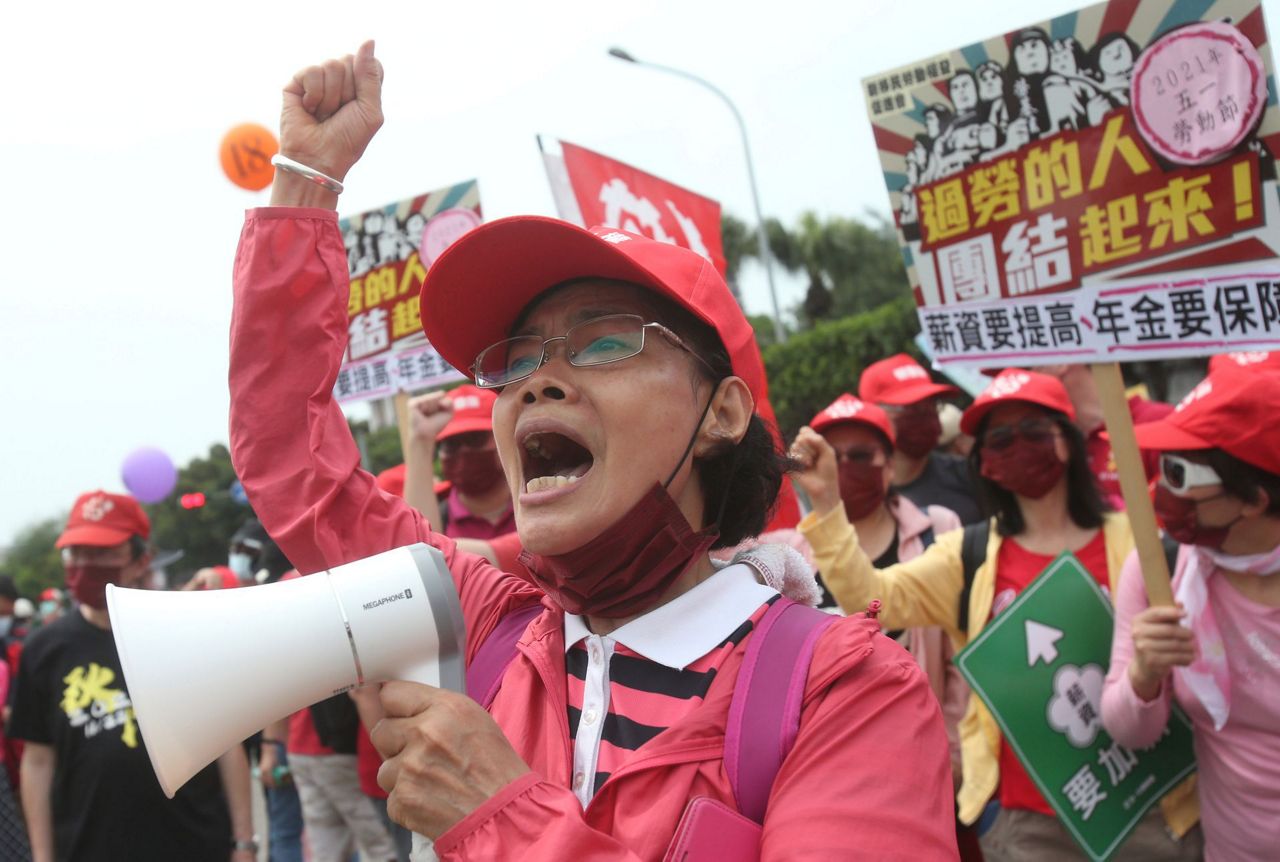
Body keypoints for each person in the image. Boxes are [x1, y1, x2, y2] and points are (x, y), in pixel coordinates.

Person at [227, 41, 955, 859]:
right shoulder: (486, 624)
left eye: (605, 344)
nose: (537, 383)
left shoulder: (846, 690)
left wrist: (501, 815)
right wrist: (306, 181)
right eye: (516, 361)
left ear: (721, 413)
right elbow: (296, 466)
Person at [798, 370, 1200, 860]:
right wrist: (827, 503)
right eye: (1001, 440)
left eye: (1032, 431)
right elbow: (872, 597)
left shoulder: (1142, 543)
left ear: (1067, 442)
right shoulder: (966, 556)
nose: (1018, 447)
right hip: (1028, 828)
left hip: (1149, 809)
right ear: (985, 462)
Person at [8, 491, 256, 862]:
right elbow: (38, 760)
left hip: (195, 843)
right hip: (88, 848)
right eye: (77, 553)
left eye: (102, 553)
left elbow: (227, 743)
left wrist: (244, 843)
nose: (85, 565)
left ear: (142, 559)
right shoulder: (43, 649)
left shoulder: (184, 630)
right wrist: (43, 856)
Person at [1102, 368, 1280, 860]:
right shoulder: (1161, 570)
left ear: (1254, 499)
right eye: (1162, 465)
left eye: (1179, 474)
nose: (1162, 487)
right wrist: (1145, 673)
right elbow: (1129, 731)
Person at [790, 395, 967, 784]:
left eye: (859, 455)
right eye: (832, 456)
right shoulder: (789, 557)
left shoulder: (939, 531)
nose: (842, 468)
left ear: (889, 466)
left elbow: (960, 660)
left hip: (922, 764)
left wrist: (952, 755)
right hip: (826, 769)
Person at [858, 354, 983, 524]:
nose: (924, 415)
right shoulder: (857, 494)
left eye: (931, 404)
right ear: (873, 413)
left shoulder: (970, 475)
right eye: (909, 407)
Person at [402, 385, 515, 541]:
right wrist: (421, 439)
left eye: (475, 439)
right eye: (452, 444)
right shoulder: (436, 518)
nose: (464, 451)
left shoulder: (536, 503)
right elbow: (421, 547)